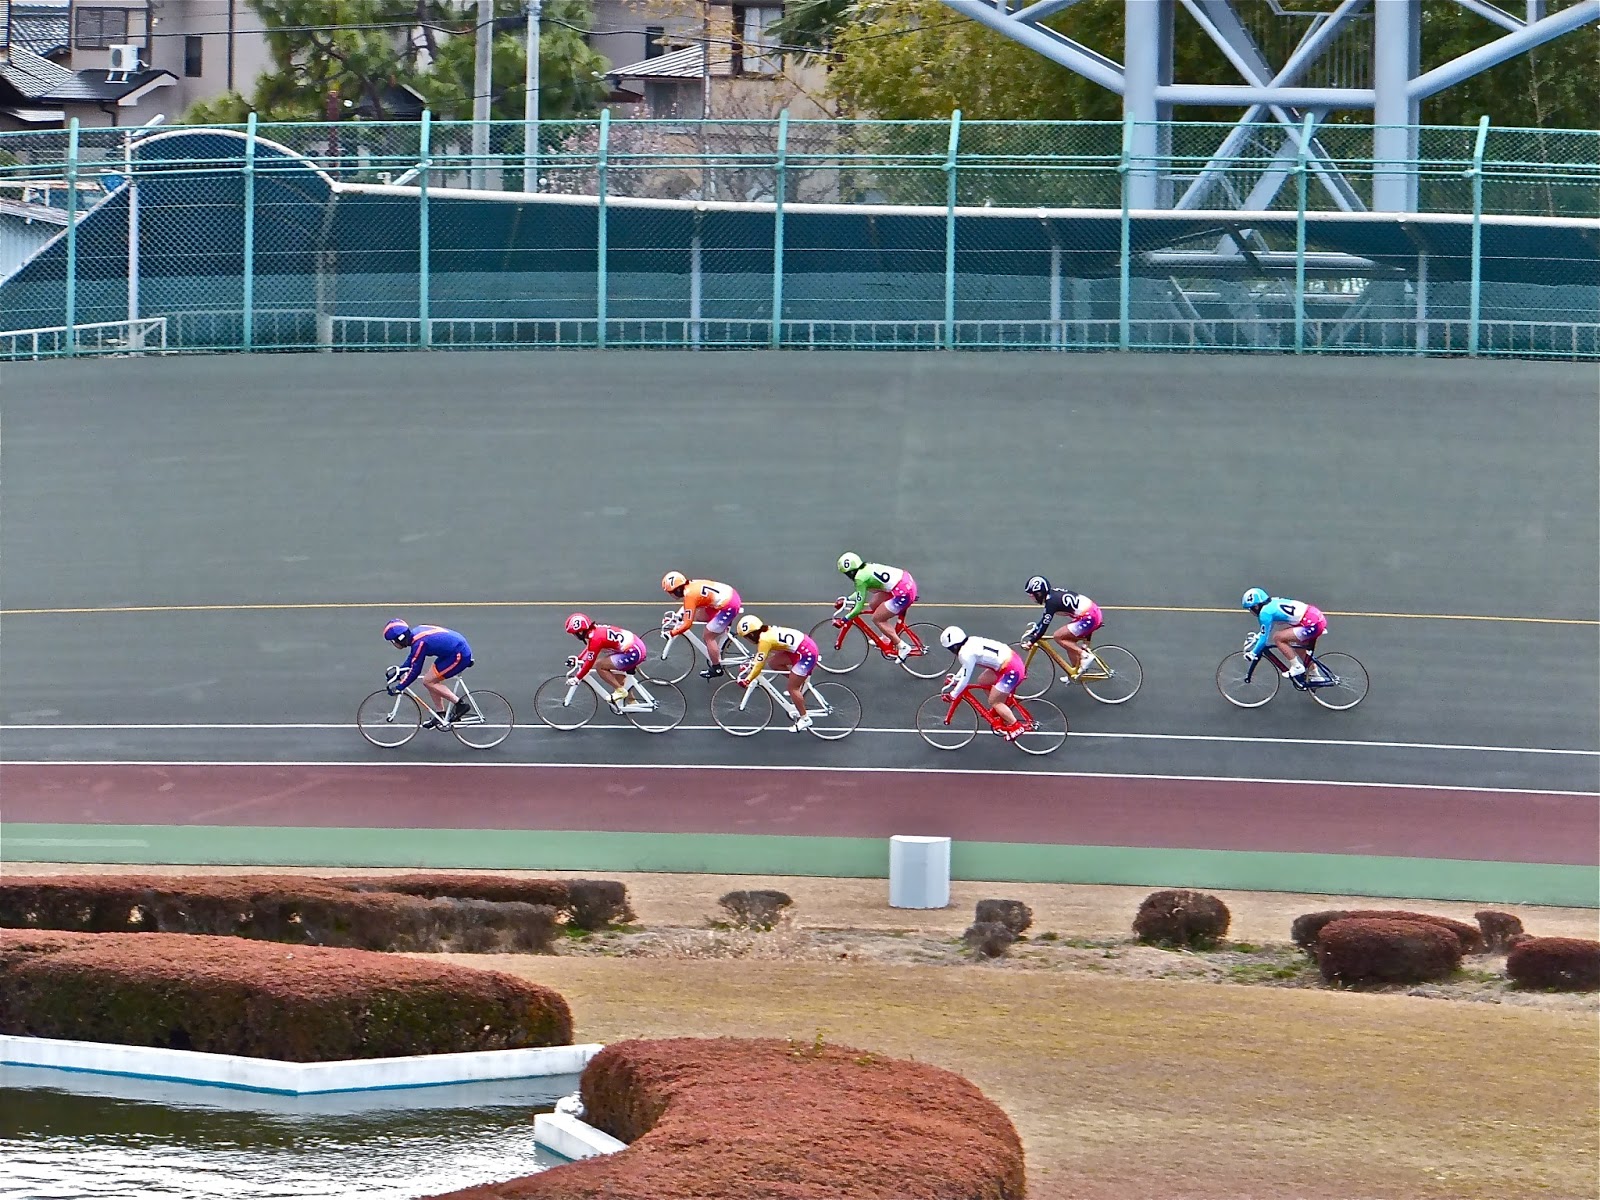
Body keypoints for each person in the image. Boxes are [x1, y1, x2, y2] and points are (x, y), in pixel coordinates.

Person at [938, 625, 1027, 741]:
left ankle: (1016, 726)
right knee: (983, 681)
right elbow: (966, 667)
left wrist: (953, 695)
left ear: (954, 647)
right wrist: (955, 679)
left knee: (994, 701)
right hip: (1010, 661)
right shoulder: (970, 641)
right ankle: (1000, 709)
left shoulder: (965, 654)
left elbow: (965, 678)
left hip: (1012, 670)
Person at [735, 613, 820, 731]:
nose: (747, 640)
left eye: (747, 637)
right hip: (801, 648)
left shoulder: (765, 640)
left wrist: (748, 679)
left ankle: (805, 719)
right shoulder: (766, 632)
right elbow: (761, 658)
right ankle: (798, 681)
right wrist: (750, 666)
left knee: (792, 688)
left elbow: (759, 664)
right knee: (774, 663)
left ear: (752, 634)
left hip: (806, 654)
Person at [383, 618, 474, 727]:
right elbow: (412, 658)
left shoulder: (419, 643)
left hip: (459, 656)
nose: (393, 644)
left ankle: (460, 705)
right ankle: (440, 714)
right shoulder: (416, 635)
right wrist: (399, 672)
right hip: (451, 653)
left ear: (400, 639)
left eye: (393, 641)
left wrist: (400, 687)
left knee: (428, 681)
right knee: (430, 680)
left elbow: (415, 670)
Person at [834, 552, 918, 658]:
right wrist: (847, 599)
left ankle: (902, 647)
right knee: (874, 604)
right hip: (905, 582)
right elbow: (862, 591)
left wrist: (844, 620)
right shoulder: (866, 568)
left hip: (903, 592)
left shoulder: (860, 578)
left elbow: (859, 607)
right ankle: (886, 637)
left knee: (877, 619)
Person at [661, 571, 742, 678]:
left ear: (677, 590)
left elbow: (687, 625)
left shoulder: (690, 595)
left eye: (670, 592)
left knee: (708, 636)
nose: (670, 595)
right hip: (727, 596)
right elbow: (688, 607)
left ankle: (716, 668)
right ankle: (722, 629)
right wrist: (677, 616)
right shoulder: (690, 586)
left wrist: (672, 633)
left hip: (729, 605)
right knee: (700, 617)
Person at [1022, 575, 1103, 683]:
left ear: (1039, 593)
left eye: (1032, 596)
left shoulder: (1051, 602)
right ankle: (1075, 673)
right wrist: (1035, 629)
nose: (1032, 599)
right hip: (1091, 613)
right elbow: (1043, 620)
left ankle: (1085, 655)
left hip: (1089, 617)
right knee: (1069, 642)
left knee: (1058, 636)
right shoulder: (1052, 595)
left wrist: (1031, 642)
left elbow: (1045, 626)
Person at [1241, 587, 1328, 685]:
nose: (1251, 612)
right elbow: (1267, 627)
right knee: (1299, 648)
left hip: (1312, 624)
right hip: (1314, 618)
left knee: (1278, 637)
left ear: (1256, 606)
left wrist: (1253, 653)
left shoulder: (1264, 613)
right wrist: (1258, 636)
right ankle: (1316, 676)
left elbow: (1264, 639)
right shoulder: (1272, 602)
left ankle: (1297, 667)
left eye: (1251, 609)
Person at [565, 612, 647, 707]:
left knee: (600, 665)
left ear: (580, 632)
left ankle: (620, 691)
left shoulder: (595, 639)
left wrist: (577, 678)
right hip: (635, 646)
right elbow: (590, 648)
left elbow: (589, 662)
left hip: (633, 652)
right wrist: (578, 659)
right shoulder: (594, 631)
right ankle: (632, 702)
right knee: (618, 675)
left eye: (574, 634)